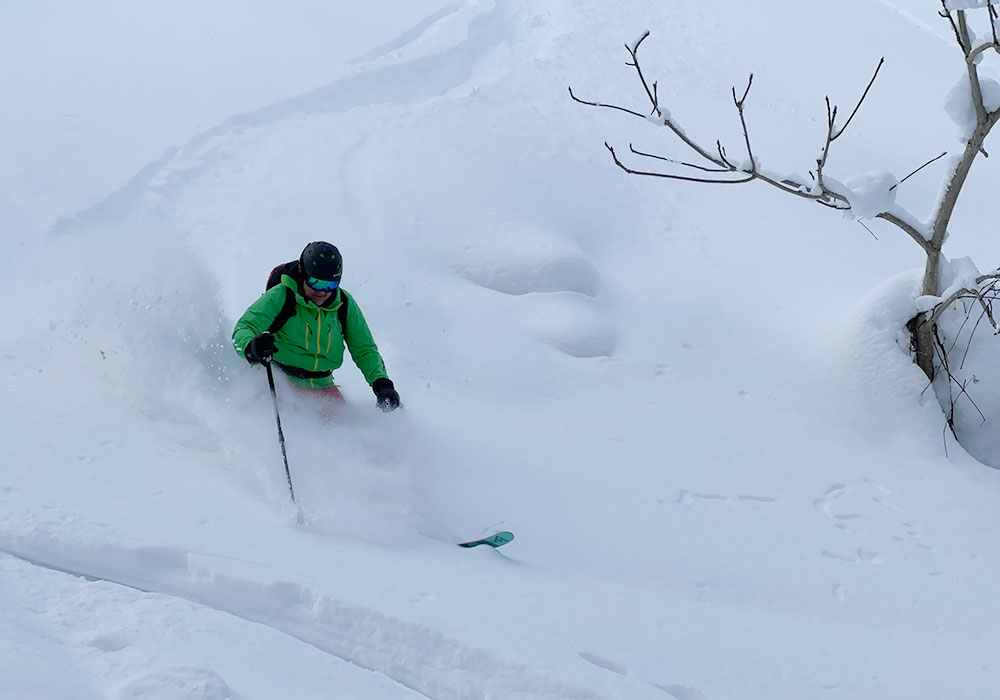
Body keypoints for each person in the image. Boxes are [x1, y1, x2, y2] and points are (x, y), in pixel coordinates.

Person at [232, 241, 401, 412]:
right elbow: (244, 327)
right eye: (316, 282)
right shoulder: (281, 296)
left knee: (346, 432)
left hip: (321, 387)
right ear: (303, 274)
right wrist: (251, 347)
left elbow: (364, 349)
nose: (322, 291)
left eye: (330, 285)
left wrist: (381, 383)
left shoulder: (344, 305)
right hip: (280, 380)